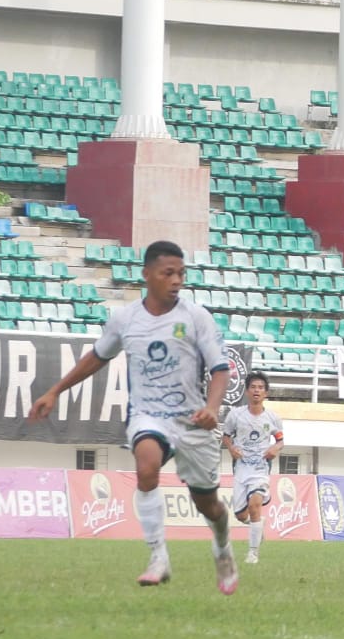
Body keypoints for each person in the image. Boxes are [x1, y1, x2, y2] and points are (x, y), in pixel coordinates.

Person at [30, 240, 238, 594]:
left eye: (181, 274)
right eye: (168, 273)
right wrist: (55, 390)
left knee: (210, 505)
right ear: (147, 275)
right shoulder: (125, 319)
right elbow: (97, 356)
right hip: (148, 415)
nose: (176, 280)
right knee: (146, 468)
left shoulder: (195, 316)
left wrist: (213, 408)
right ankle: (158, 557)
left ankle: (222, 548)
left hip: (192, 420)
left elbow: (220, 369)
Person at [222, 371, 284, 565]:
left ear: (266, 393)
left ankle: (253, 554)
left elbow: (280, 440)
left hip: (260, 469)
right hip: (241, 468)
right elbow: (225, 436)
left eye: (260, 388)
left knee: (255, 504)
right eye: (253, 387)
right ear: (247, 391)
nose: (257, 391)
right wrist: (231, 448)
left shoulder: (272, 418)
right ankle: (256, 525)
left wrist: (275, 448)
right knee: (241, 515)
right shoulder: (235, 415)